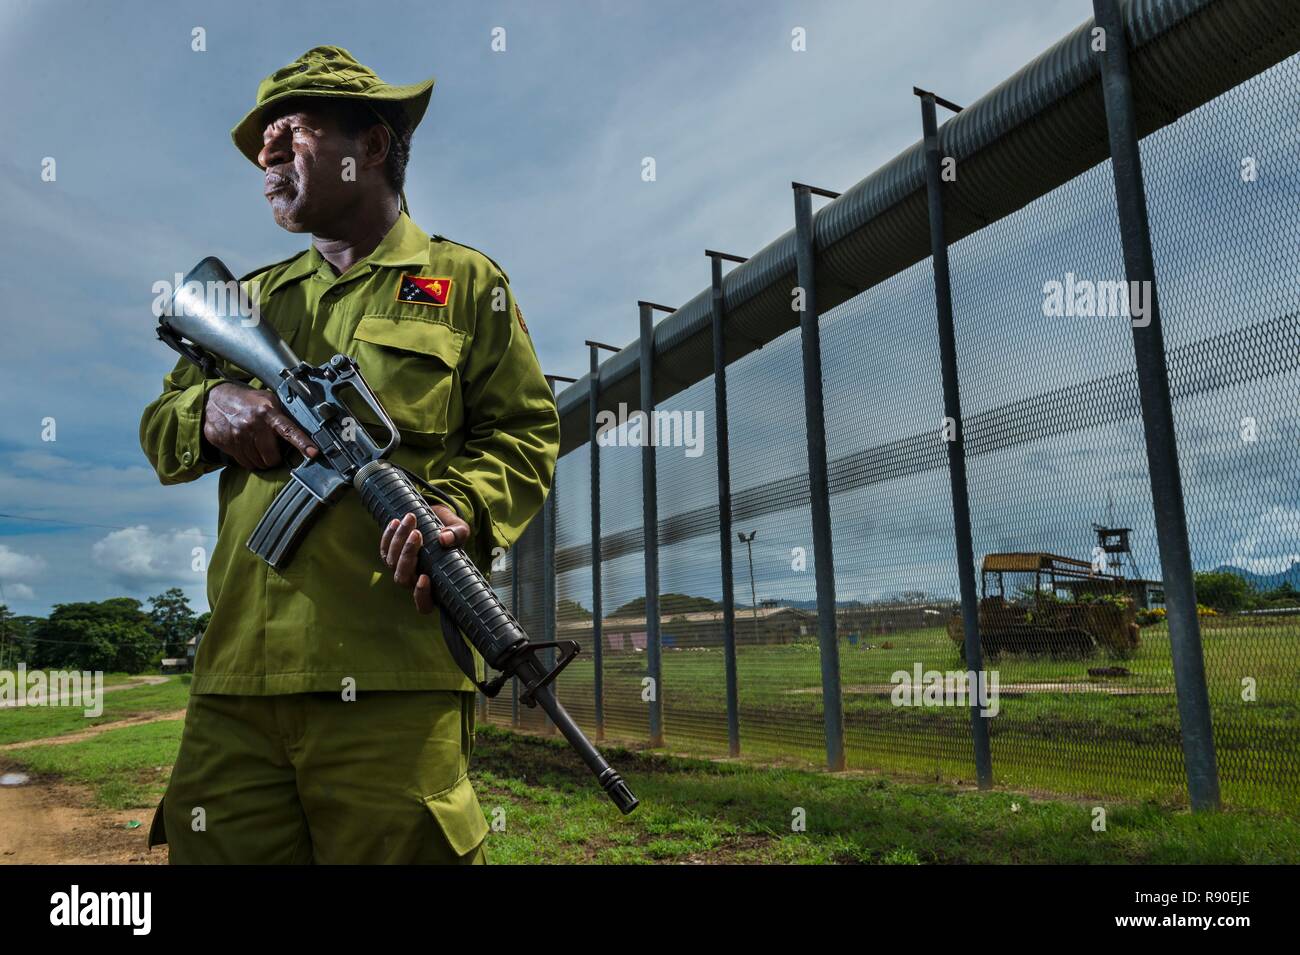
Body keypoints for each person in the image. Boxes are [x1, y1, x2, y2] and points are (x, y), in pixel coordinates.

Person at [139, 45, 559, 864]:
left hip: (391, 681)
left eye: (291, 130)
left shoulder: (466, 284)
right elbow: (161, 426)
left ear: (371, 146)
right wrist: (212, 406)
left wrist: (462, 506)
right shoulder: (243, 303)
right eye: (263, 137)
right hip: (236, 683)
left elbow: (525, 433)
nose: (266, 152)